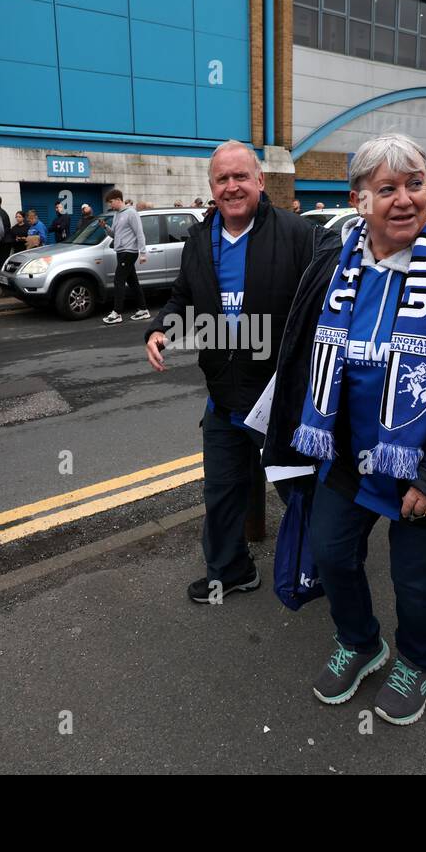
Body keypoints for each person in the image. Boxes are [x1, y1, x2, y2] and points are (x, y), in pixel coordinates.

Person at [262, 134, 426, 725]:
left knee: (417, 578)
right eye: (386, 189)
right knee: (330, 555)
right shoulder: (334, 256)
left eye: (416, 184)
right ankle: (359, 641)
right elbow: (300, 347)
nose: (405, 200)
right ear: (358, 200)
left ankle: (418, 663)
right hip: (348, 453)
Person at [145, 140, 329, 606]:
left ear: (260, 181)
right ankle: (230, 571)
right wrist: (160, 329)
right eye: (223, 179)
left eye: (241, 176)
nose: (232, 187)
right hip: (223, 397)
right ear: (211, 188)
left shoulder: (296, 233)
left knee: (300, 492)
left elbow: (328, 304)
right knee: (222, 493)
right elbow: (183, 296)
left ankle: (326, 566)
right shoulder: (198, 239)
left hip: (279, 399)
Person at [100, 189, 149, 325]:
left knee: (118, 280)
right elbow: (115, 235)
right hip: (120, 251)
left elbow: (139, 233)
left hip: (129, 252)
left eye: (111, 202)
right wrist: (105, 227)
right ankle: (143, 309)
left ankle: (117, 313)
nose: (110, 205)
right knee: (133, 282)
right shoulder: (116, 215)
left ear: (118, 199)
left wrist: (143, 253)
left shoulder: (131, 213)